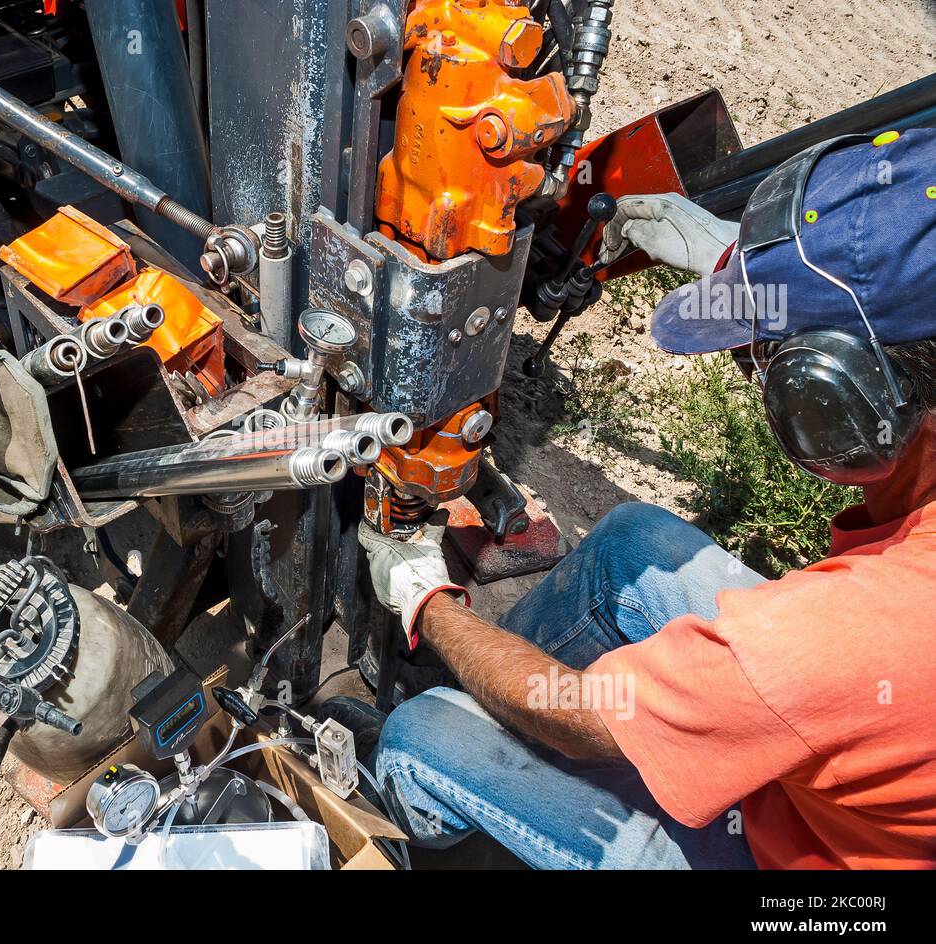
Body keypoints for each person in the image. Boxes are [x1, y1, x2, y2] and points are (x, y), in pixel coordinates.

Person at [357, 128, 936, 869]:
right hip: (851, 764)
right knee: (633, 547)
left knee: (420, 742)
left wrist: (426, 603)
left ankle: (420, 801)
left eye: (767, 359)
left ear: (844, 399)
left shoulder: (843, 640)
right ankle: (473, 694)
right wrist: (756, 268)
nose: (746, 371)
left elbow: (582, 719)